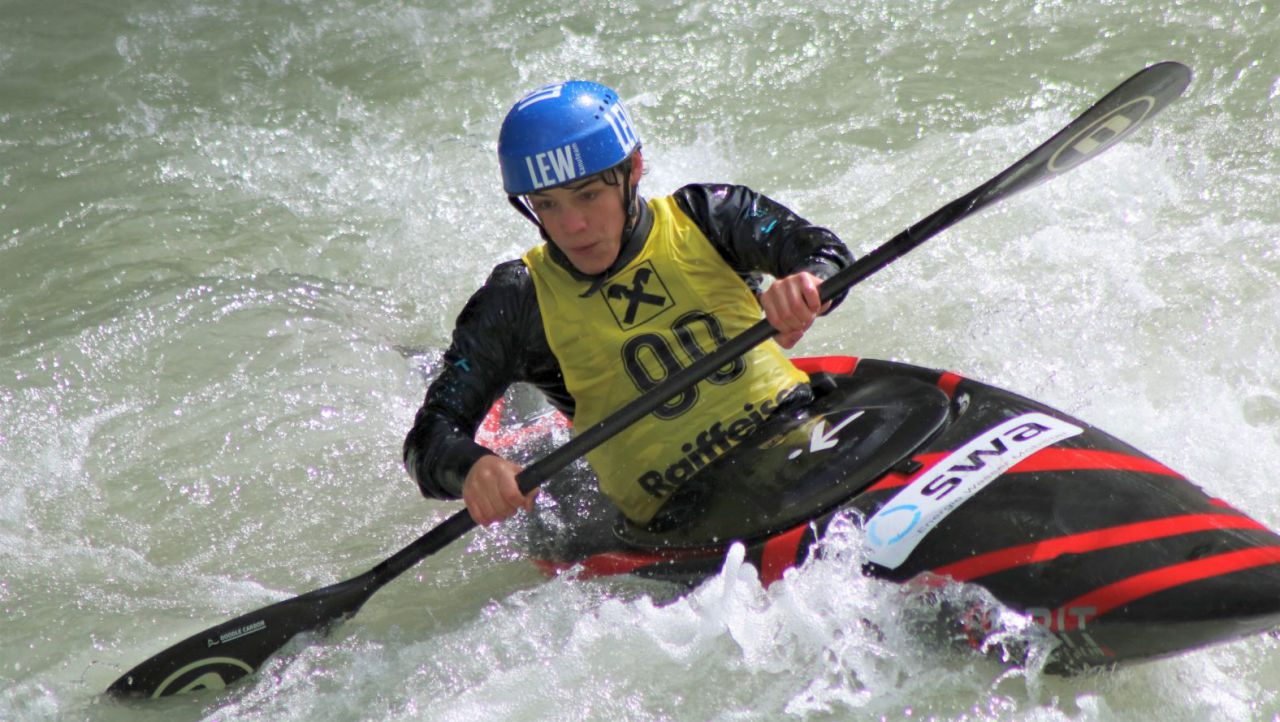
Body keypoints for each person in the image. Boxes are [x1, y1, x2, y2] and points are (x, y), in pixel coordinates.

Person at [404, 80, 854, 529]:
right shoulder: (517, 300)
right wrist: (472, 468)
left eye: (588, 195)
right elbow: (432, 435)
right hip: (682, 515)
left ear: (633, 168)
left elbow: (821, 250)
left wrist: (810, 283)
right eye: (547, 205)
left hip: (794, 435)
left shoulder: (708, 216)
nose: (572, 225)